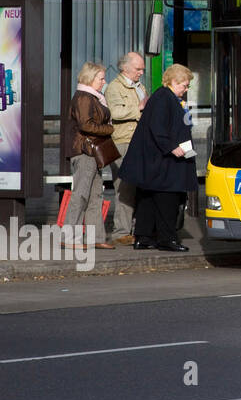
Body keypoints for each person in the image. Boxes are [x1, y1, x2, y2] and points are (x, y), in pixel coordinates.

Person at [118, 64, 197, 252]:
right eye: (184, 85)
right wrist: (172, 147)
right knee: (167, 201)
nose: (186, 90)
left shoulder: (163, 96)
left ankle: (144, 237)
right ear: (174, 81)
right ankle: (166, 238)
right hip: (163, 162)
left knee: (148, 199)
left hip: (154, 162)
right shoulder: (164, 98)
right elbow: (158, 127)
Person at [67, 62, 116, 250]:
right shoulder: (84, 97)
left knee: (96, 194)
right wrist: (109, 129)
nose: (104, 82)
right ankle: (71, 237)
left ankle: (96, 237)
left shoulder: (94, 97)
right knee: (81, 193)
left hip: (93, 151)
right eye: (101, 78)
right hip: (84, 150)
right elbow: (86, 125)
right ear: (90, 78)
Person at [103, 52, 147, 245]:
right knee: (125, 187)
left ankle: (136, 228)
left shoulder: (139, 86)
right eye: (138, 69)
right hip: (123, 141)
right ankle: (121, 231)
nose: (141, 72)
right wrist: (138, 108)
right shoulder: (114, 87)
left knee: (139, 186)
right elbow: (114, 112)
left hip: (139, 141)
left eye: (142, 69)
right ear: (125, 68)